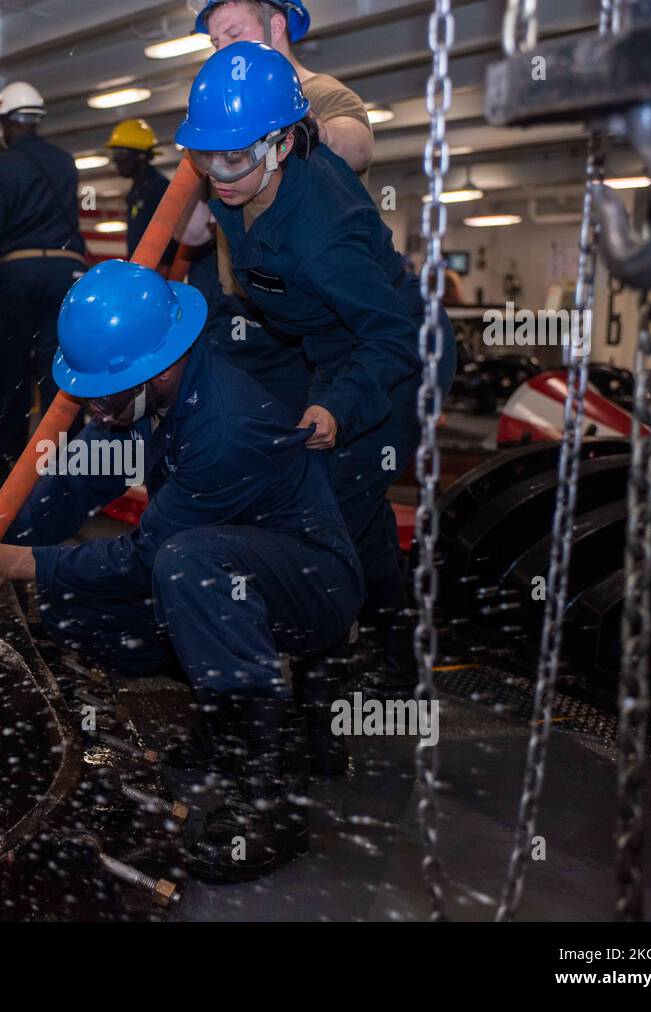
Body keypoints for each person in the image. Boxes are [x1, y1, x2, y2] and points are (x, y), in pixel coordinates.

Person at [0, 260, 364, 882]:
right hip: (227, 572)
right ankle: (228, 725)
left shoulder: (224, 426)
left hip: (309, 583)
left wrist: (13, 564)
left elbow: (144, 559)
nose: (97, 412)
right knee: (70, 604)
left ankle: (273, 800)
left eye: (103, 398)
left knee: (184, 562)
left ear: (158, 370)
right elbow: (76, 477)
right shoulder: (143, 400)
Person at [178, 42, 457, 701]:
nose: (216, 174)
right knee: (351, 500)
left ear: (281, 144)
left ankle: (322, 673)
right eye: (204, 155)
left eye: (234, 156)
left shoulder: (324, 230)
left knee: (324, 506)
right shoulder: (237, 182)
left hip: (396, 358)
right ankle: (397, 639)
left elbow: (390, 338)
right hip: (330, 348)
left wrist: (337, 406)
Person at [0, 82, 87, 492]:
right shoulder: (66, 163)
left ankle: (7, 467)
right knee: (59, 374)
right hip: (65, 274)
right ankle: (65, 467)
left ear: (3, 124)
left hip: (15, 277)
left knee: (11, 373)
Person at [189, 0, 373, 175]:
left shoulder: (325, 94)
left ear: (275, 27)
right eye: (215, 42)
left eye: (234, 33)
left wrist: (317, 133)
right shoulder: (231, 110)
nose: (221, 51)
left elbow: (359, 151)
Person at [106, 118, 176, 270]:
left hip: (158, 272)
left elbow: (171, 236)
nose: (116, 161)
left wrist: (165, 269)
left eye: (121, 154)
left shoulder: (159, 188)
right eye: (114, 154)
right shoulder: (136, 192)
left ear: (141, 155)